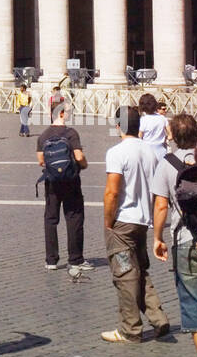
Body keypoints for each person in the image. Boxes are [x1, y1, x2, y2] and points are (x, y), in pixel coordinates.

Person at [101, 106, 170, 343]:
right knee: (141, 271)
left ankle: (130, 329)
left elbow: (112, 191)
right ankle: (158, 318)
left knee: (125, 275)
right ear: (138, 126)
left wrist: (108, 222)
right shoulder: (151, 153)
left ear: (118, 125)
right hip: (143, 221)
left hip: (122, 222)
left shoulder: (117, 152)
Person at [152, 116, 197, 357]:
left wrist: (157, 238)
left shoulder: (167, 164)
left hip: (185, 239)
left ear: (173, 137)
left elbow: (161, 205)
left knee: (193, 301)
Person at [36, 103, 91, 275]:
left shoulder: (43, 135)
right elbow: (79, 156)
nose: (69, 115)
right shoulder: (70, 133)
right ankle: (75, 259)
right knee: (74, 217)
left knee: (51, 219)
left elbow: (40, 160)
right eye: (68, 112)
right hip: (71, 181)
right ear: (60, 113)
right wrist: (83, 165)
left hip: (51, 181)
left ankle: (51, 260)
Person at [138, 93, 169, 161]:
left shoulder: (143, 120)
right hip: (161, 150)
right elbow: (171, 135)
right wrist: (164, 139)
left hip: (147, 150)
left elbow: (139, 137)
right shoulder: (163, 118)